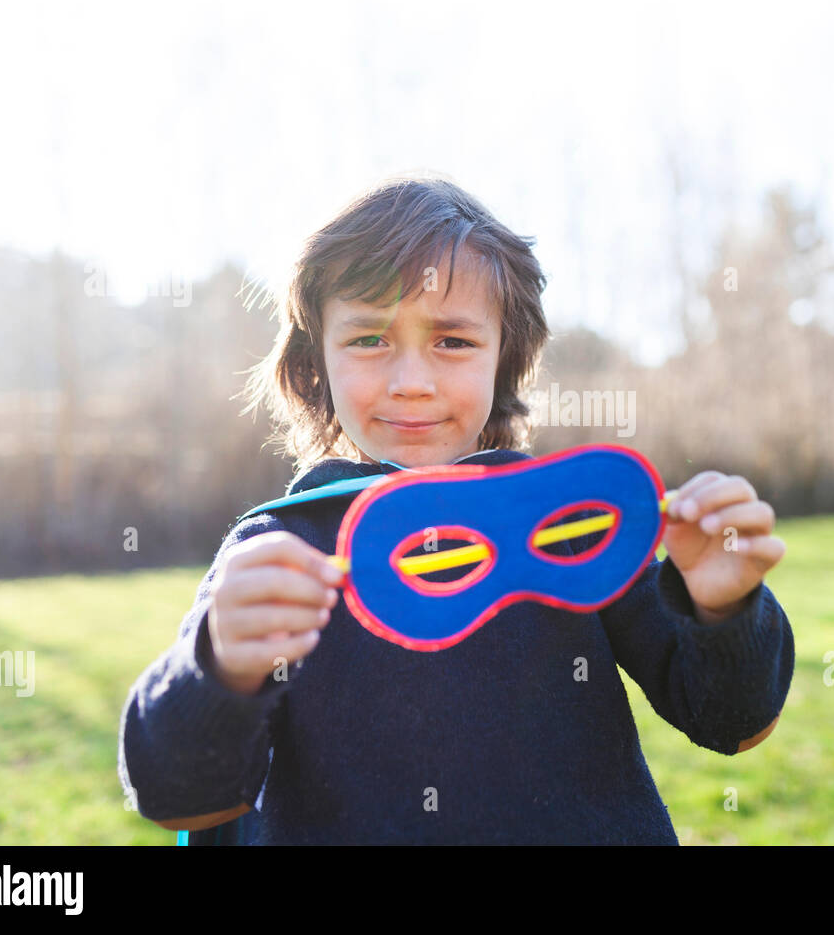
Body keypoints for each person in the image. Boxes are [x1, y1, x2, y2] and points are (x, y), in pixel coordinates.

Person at [117, 173, 795, 844]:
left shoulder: (569, 521)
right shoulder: (278, 549)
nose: (412, 382)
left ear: (505, 359)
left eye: (453, 341)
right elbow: (181, 802)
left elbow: (734, 723)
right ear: (315, 362)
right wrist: (222, 666)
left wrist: (723, 610)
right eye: (369, 339)